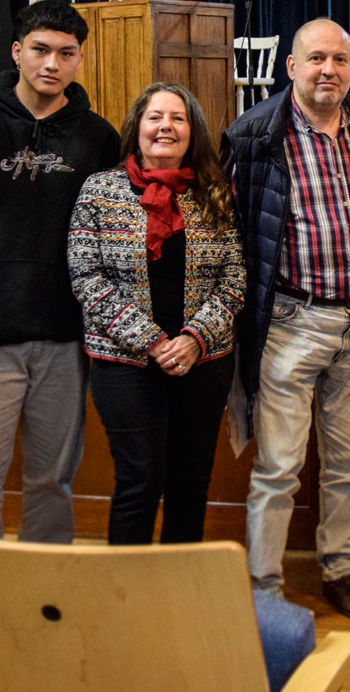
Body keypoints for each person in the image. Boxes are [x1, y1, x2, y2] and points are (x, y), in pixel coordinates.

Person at [220, 18, 350, 619]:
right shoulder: (253, 135)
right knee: (279, 466)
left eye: (340, 59)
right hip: (288, 322)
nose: (328, 70)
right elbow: (233, 235)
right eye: (316, 59)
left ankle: (340, 568)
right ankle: (264, 590)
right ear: (292, 67)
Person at [0, 0, 119, 544]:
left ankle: (45, 586)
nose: (51, 63)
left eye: (66, 53)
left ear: (80, 59)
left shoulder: (98, 138)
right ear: (17, 52)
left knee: (52, 480)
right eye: (40, 50)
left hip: (63, 338)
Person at [68, 83, 245, 544]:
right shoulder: (99, 190)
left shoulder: (216, 193)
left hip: (202, 362)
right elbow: (86, 276)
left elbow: (235, 278)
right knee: (138, 480)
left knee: (191, 482)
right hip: (126, 364)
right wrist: (152, 340)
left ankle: (179, 597)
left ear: (193, 132)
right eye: (155, 117)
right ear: (137, 127)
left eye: (178, 118)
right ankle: (128, 599)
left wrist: (193, 339)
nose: (166, 126)